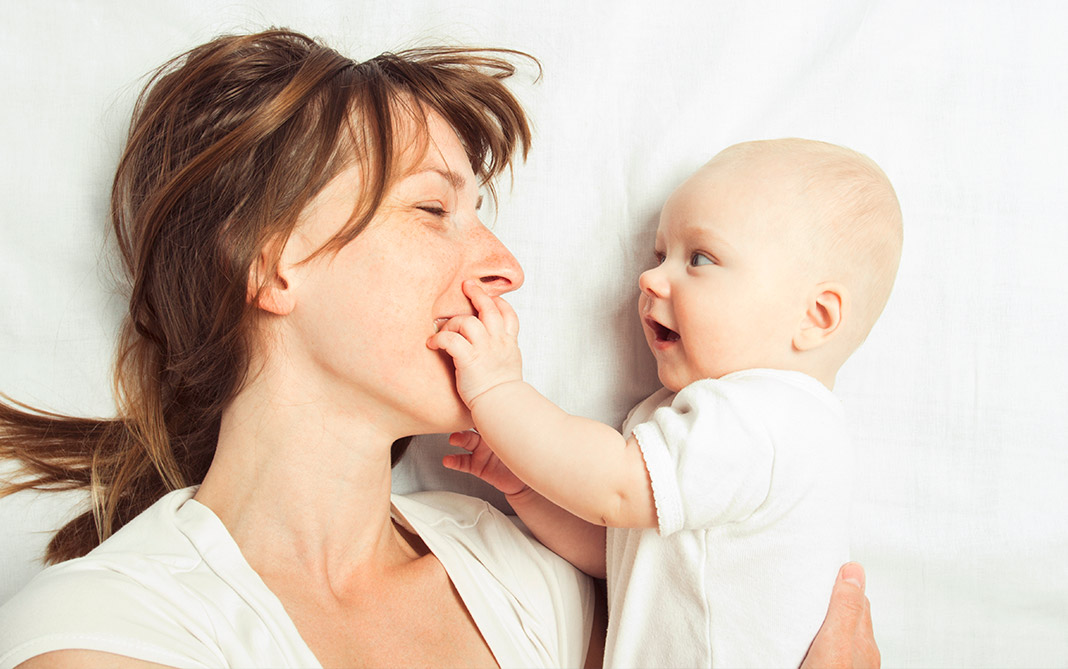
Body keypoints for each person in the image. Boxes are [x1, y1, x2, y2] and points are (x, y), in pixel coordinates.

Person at [0, 29, 879, 669]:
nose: (504, 267)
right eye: (433, 210)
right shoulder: (115, 628)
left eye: (485, 219)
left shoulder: (531, 578)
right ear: (271, 263)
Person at [428, 138, 902, 667]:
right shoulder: (717, 422)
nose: (650, 278)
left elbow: (613, 486)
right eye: (660, 255)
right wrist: (530, 488)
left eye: (699, 258)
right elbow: (623, 555)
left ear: (814, 317)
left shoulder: (766, 417)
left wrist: (497, 389)